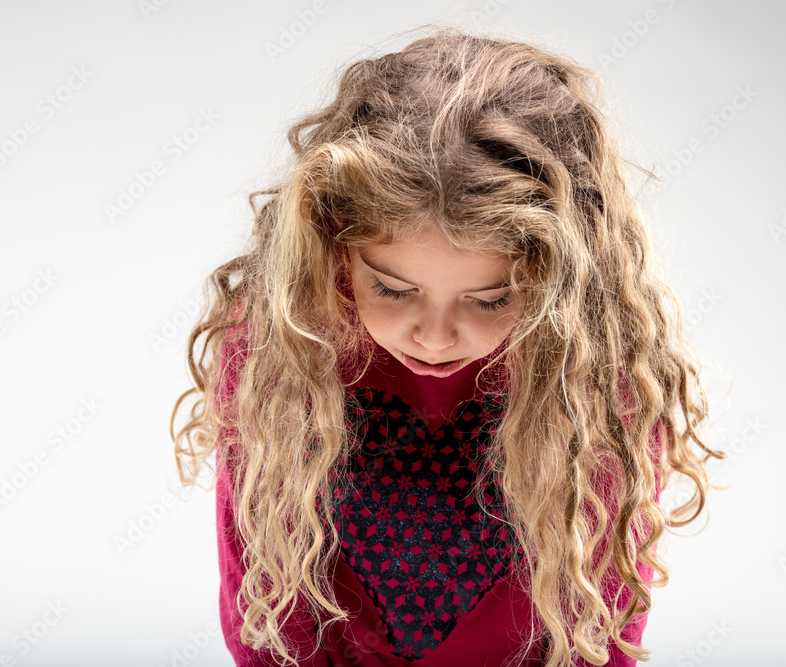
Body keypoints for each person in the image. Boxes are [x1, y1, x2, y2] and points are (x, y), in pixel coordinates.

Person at [171, 23, 723, 667]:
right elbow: (263, 613)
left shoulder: (596, 369)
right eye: (393, 290)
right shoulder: (283, 341)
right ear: (334, 241)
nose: (434, 338)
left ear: (560, 279)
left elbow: (599, 632)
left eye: (490, 299)